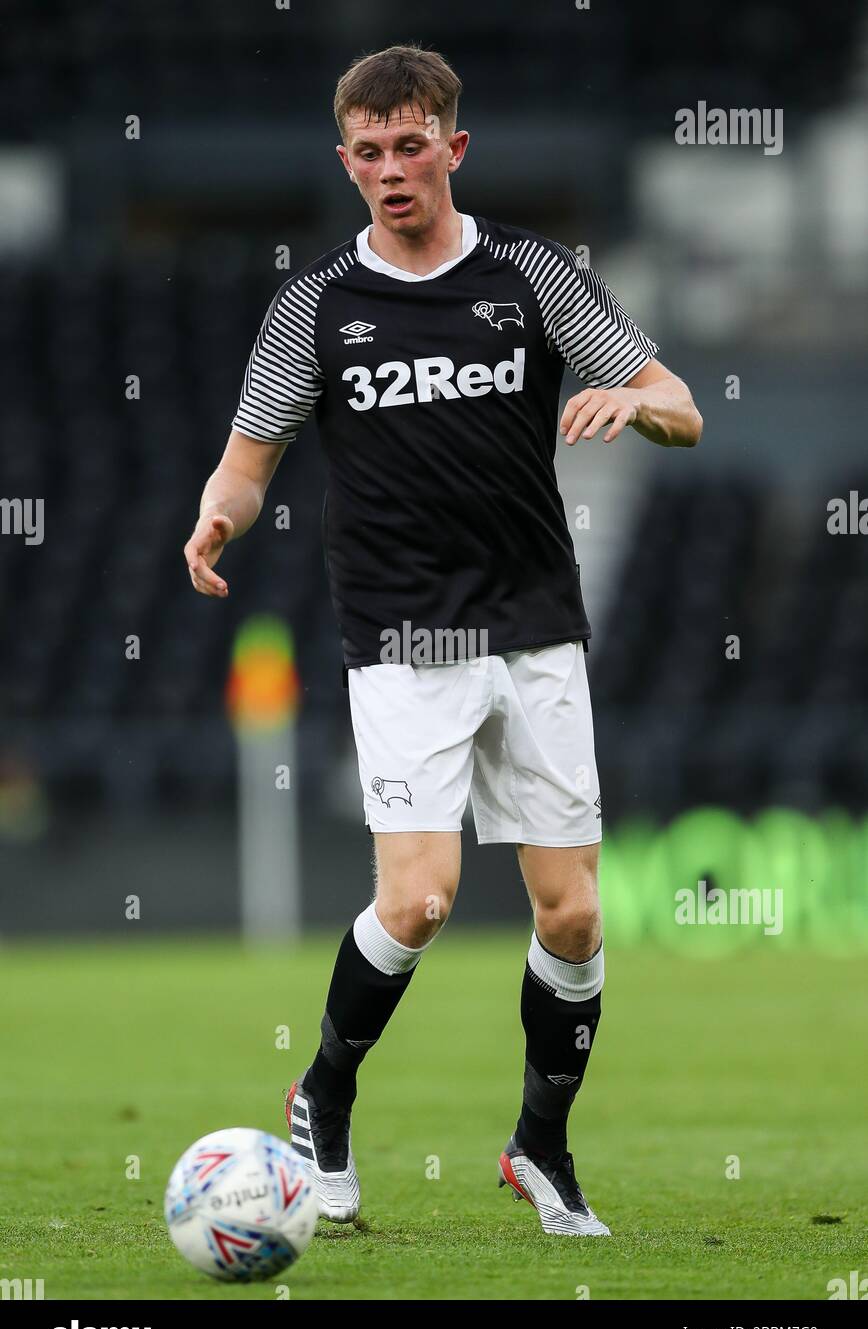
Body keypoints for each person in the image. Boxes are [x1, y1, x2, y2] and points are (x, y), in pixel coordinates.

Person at [184, 43, 702, 1237]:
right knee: (417, 901)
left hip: (533, 623)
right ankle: (322, 1092)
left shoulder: (528, 276)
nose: (390, 170)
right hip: (403, 631)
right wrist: (217, 517)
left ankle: (540, 1148)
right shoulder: (313, 304)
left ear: (452, 148)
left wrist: (636, 403)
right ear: (345, 160)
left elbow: (676, 401)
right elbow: (247, 462)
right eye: (367, 153)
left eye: (411, 146)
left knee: (570, 916)